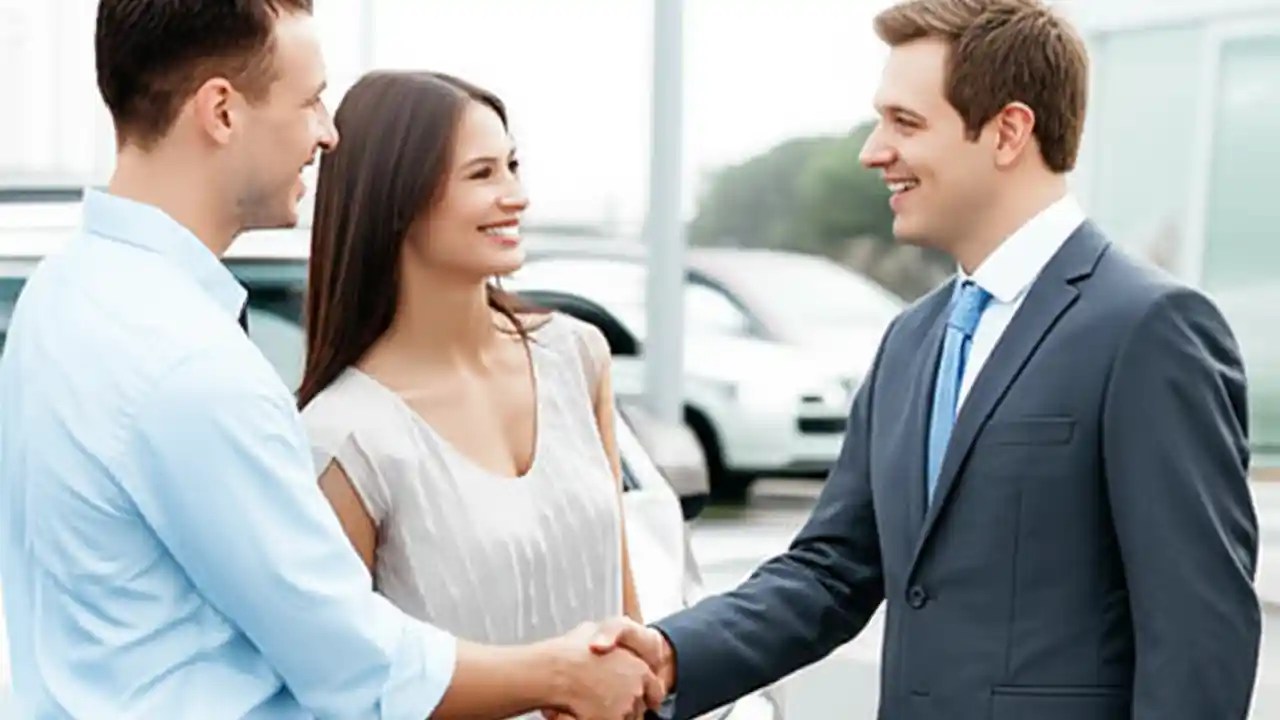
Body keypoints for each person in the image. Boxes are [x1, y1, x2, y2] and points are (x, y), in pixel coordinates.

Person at [599, 1, 1262, 718]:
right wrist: (668, 654)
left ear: (1008, 131)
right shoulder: (911, 339)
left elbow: (1198, 640)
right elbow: (832, 571)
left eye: (905, 123)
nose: (873, 150)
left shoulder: (1151, 328)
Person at [0, 2, 661, 718]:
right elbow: (353, 664)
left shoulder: (58, 297)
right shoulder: (192, 364)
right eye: (311, 99)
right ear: (221, 111)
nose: (329, 132)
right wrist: (558, 675)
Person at [295, 69, 644, 718]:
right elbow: (349, 686)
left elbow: (627, 617)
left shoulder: (576, 356)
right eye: (483, 174)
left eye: (513, 166)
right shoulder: (342, 436)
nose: (516, 196)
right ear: (398, 197)